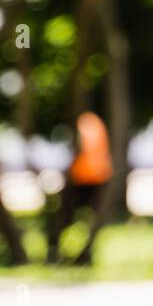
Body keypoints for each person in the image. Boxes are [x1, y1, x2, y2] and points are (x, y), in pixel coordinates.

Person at [46, 110, 112, 263]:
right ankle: (80, 253)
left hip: (83, 177)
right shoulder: (95, 121)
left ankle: (57, 251)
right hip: (98, 175)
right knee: (87, 218)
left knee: (67, 216)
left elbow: (82, 148)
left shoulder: (83, 124)